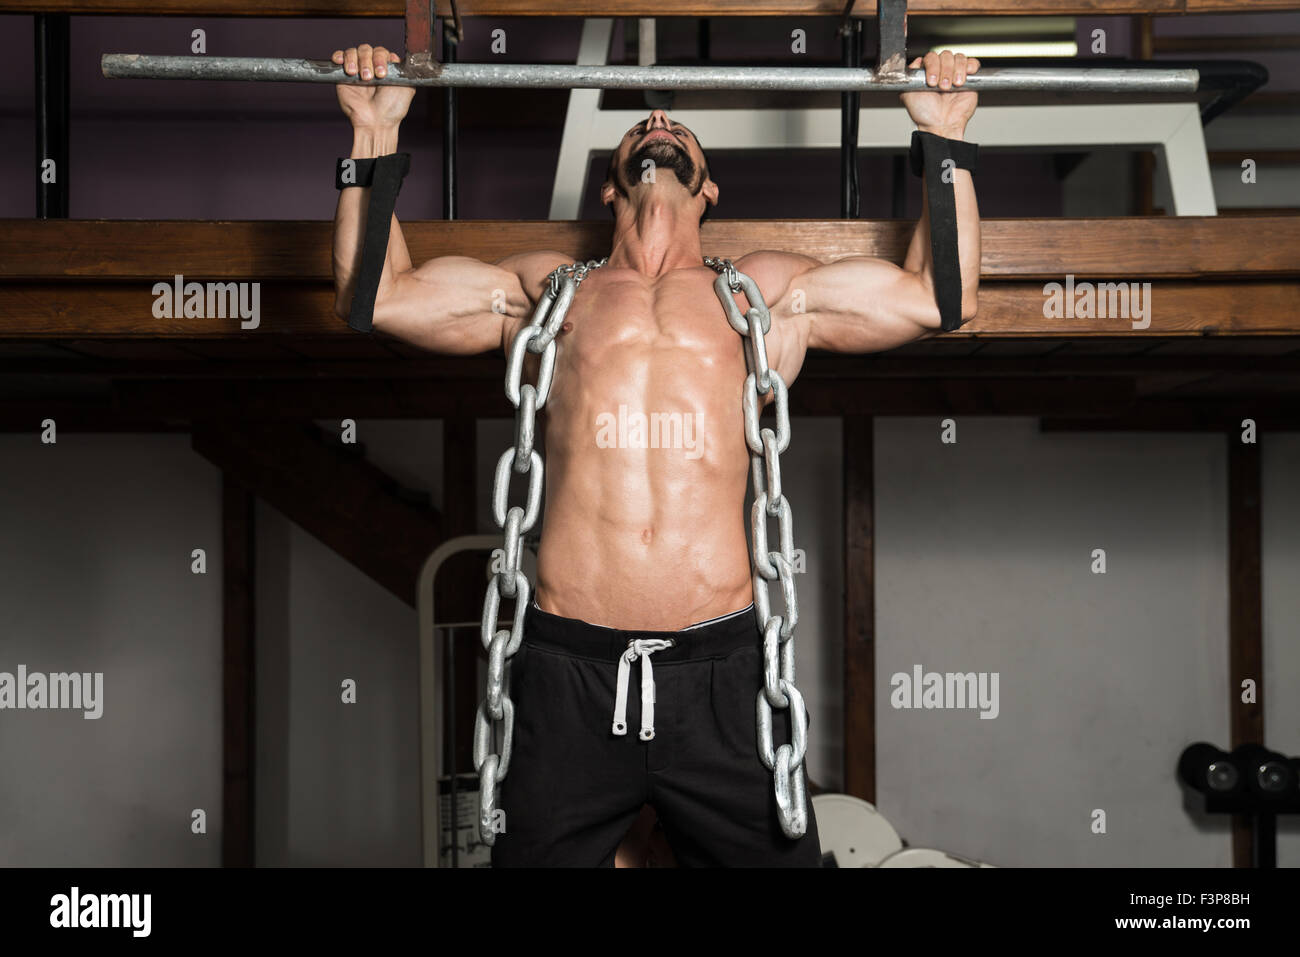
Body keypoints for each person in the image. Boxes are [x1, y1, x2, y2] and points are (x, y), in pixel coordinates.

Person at [331, 42, 981, 867]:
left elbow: (939, 296)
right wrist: (372, 130)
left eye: (677, 127)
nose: (661, 122)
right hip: (569, 672)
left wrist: (947, 135)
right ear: (612, 183)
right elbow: (374, 295)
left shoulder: (763, 295)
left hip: (722, 675)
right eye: (643, 125)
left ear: (708, 187)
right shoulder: (547, 294)